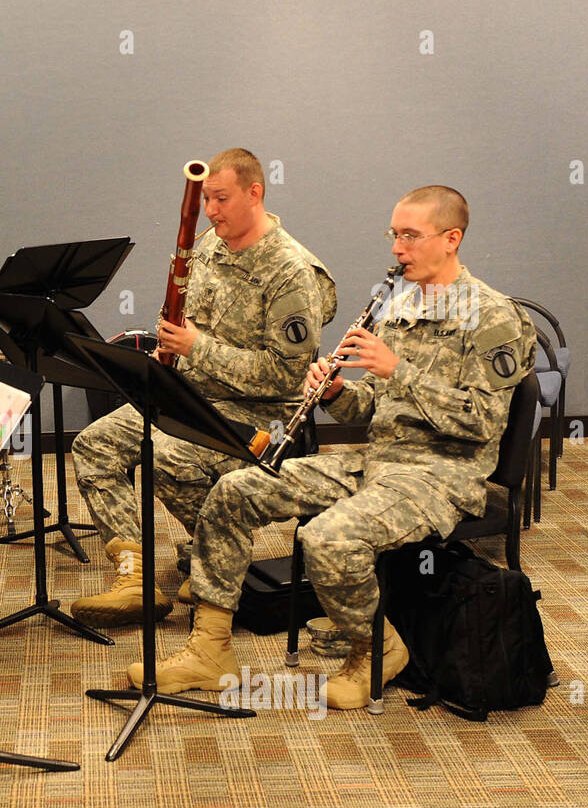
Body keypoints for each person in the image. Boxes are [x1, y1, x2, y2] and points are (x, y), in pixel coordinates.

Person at [157, 186, 536, 709]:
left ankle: (375, 650)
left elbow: (478, 423)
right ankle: (210, 649)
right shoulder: (401, 307)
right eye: (394, 234)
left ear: (452, 239)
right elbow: (373, 410)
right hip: (376, 462)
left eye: (410, 236)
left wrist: (398, 371)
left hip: (441, 477)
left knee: (328, 538)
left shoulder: (494, 317)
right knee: (234, 490)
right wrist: (336, 394)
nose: (398, 248)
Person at [70, 148, 336, 627]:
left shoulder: (291, 271)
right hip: (191, 395)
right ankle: (135, 577)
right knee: (95, 444)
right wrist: (169, 343)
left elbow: (289, 376)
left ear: (255, 193)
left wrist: (197, 348)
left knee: (163, 455)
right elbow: (187, 316)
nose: (210, 211)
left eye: (221, 198)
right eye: (206, 199)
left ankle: (215, 554)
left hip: (258, 417)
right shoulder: (212, 244)